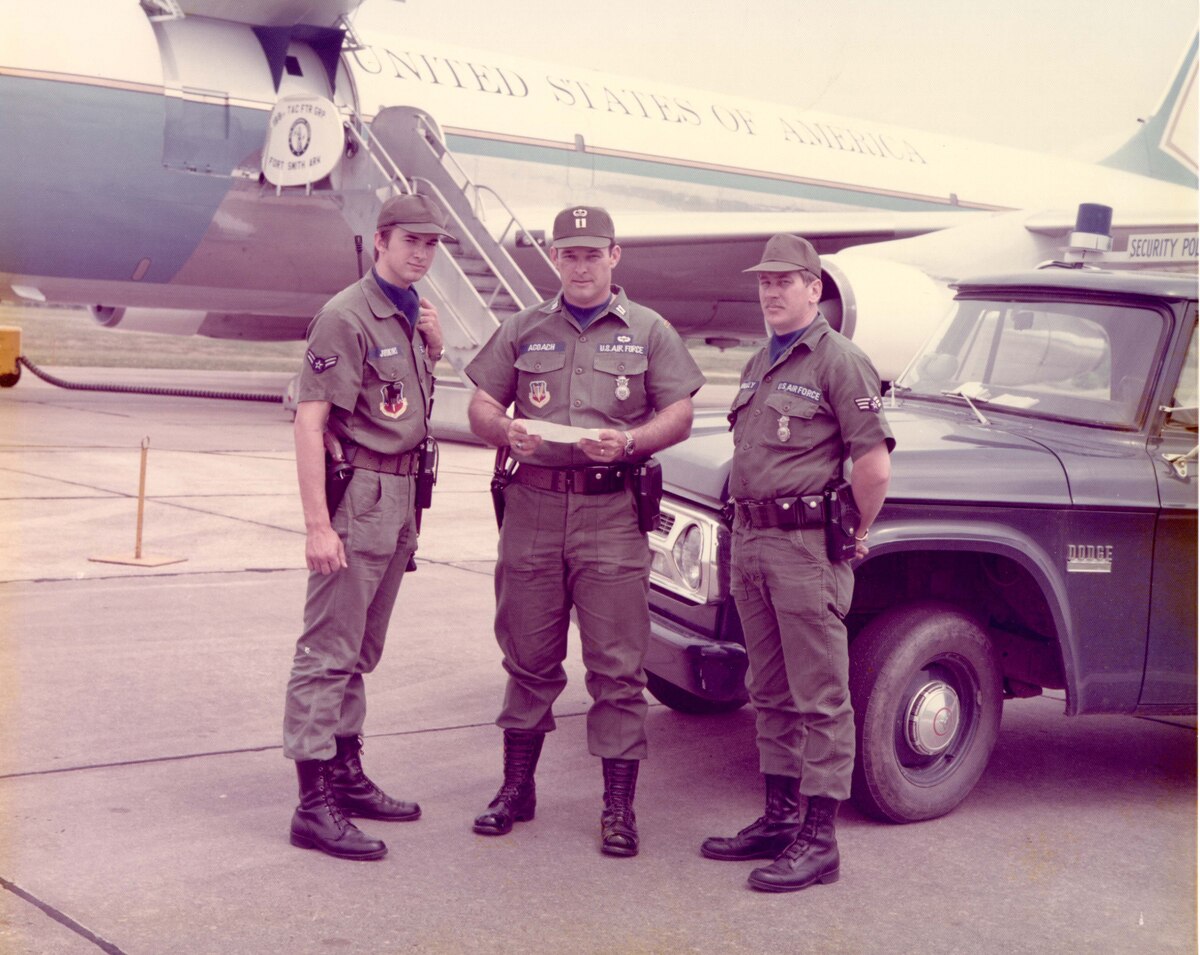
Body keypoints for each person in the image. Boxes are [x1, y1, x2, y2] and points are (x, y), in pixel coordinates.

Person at [464, 205, 705, 857]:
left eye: (591, 253)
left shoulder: (648, 331)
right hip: (533, 507)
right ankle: (518, 788)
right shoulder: (523, 327)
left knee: (617, 667)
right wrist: (501, 429)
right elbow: (481, 400)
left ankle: (618, 807)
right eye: (568, 254)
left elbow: (679, 412)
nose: (580, 264)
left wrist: (630, 441)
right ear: (556, 259)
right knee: (528, 658)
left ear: (614, 256)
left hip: (610, 514)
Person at [700, 233, 893, 891]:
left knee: (820, 695)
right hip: (752, 544)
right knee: (770, 690)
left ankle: (820, 838)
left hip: (805, 550)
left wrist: (855, 533)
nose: (772, 291)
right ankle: (779, 816)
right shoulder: (761, 360)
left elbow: (873, 466)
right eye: (764, 281)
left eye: (786, 280)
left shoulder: (840, 360)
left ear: (816, 287)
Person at [282, 193, 453, 861]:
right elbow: (309, 421)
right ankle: (312, 800)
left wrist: (433, 349)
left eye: (432, 243)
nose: (422, 252)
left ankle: (347, 772)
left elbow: (399, 402)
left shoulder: (413, 315)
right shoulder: (346, 314)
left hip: (402, 495)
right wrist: (317, 525)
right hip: (359, 496)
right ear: (381, 239)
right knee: (327, 650)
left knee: (360, 648)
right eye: (411, 240)